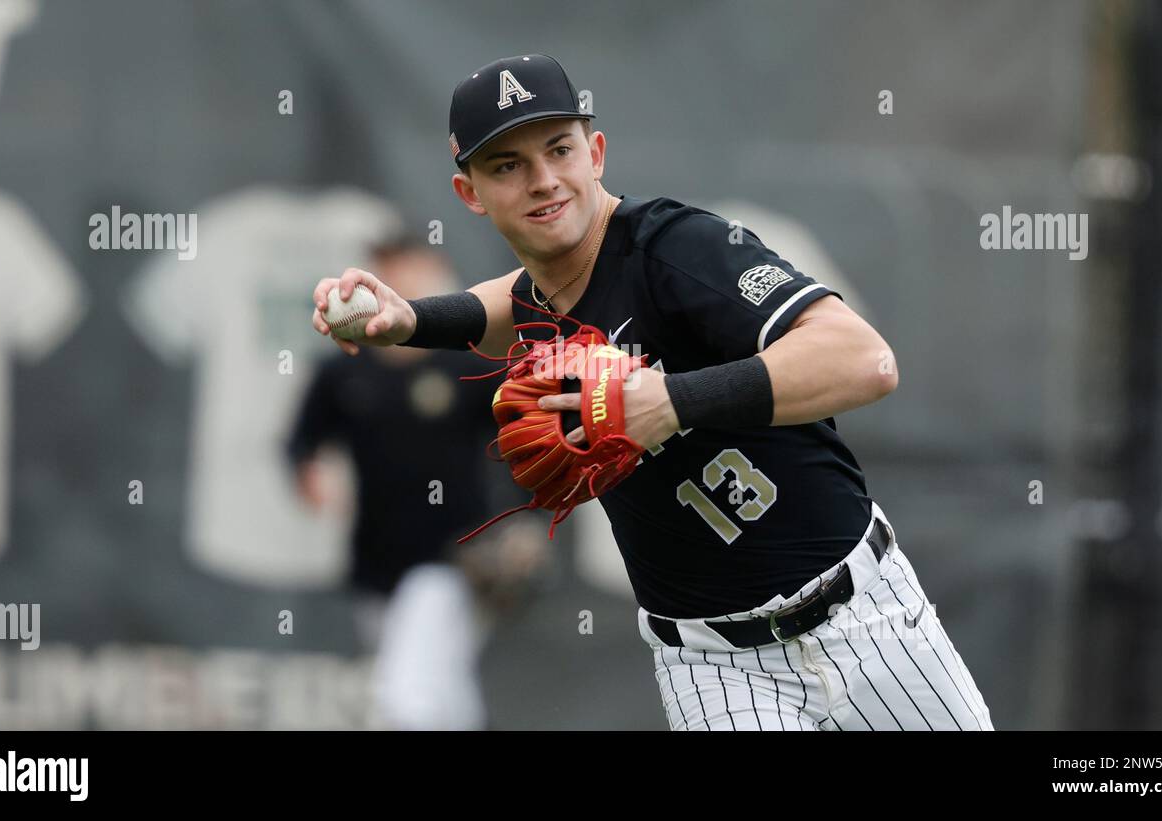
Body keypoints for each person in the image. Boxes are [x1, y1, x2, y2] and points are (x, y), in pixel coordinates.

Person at [311, 54, 992, 731]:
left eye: (558, 149)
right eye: (507, 165)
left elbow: (865, 360)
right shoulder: (542, 293)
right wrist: (409, 320)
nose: (544, 180)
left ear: (595, 152)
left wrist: (671, 400)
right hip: (713, 667)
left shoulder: (678, 248)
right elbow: (510, 306)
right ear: (470, 194)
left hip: (865, 621)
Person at [290, 234, 544, 730]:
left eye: (413, 268)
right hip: (376, 557)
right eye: (391, 269)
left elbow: (520, 443)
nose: (404, 279)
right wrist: (310, 474)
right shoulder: (343, 372)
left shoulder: (463, 364)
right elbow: (302, 442)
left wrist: (526, 523)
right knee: (442, 690)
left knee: (406, 696)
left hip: (453, 556)